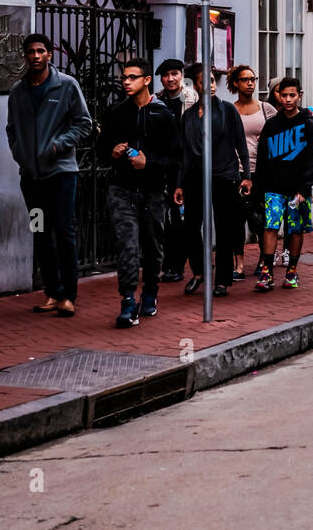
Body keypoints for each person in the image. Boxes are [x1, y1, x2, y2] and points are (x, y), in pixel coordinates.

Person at [6, 33, 92, 318]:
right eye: (30, 51)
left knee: (64, 232)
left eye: (40, 51)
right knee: (40, 231)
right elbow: (12, 129)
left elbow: (84, 124)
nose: (35, 56)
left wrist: (57, 146)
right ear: (25, 55)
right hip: (31, 179)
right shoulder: (18, 91)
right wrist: (20, 154)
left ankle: (69, 295)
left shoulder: (66, 86)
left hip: (61, 175)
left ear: (50, 55)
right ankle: (52, 293)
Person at [99, 58, 179, 328]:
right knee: (127, 244)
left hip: (153, 190)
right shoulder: (116, 112)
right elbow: (100, 148)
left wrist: (150, 163)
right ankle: (127, 301)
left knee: (153, 244)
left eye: (132, 77)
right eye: (124, 77)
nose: (126, 82)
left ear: (146, 80)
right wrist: (112, 151)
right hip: (121, 188)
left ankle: (150, 294)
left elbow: (175, 158)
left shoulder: (163, 114)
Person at [175, 64, 252, 297]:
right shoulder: (187, 116)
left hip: (224, 175)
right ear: (194, 85)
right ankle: (199, 272)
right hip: (194, 176)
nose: (209, 85)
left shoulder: (227, 110)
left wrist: (246, 176)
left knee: (225, 228)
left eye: (211, 80)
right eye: (203, 81)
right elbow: (183, 153)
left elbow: (241, 145)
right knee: (189, 227)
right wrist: (179, 183)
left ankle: (222, 280)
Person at [254, 77, 313, 292]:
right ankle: (267, 273)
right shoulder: (272, 124)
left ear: (299, 95)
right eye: (284, 95)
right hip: (273, 188)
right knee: (270, 227)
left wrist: (304, 188)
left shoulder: (308, 125)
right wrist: (260, 188)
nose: (288, 99)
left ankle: (291, 271)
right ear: (278, 96)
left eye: (292, 95)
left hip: (297, 190)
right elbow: (262, 157)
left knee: (295, 230)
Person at [227, 63, 276, 279]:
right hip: (235, 172)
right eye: (245, 80)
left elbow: (278, 140)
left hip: (262, 171)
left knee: (260, 219)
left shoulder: (267, 109)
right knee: (235, 219)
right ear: (236, 84)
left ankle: (264, 260)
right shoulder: (229, 110)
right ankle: (238, 264)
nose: (250, 83)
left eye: (253, 79)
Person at [156, 59, 196, 282]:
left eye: (174, 74)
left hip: (185, 166)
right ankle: (168, 262)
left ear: (181, 75)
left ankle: (178, 265)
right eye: (165, 75)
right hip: (163, 165)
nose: (170, 79)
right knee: (166, 218)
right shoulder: (158, 99)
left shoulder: (190, 98)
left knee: (180, 218)